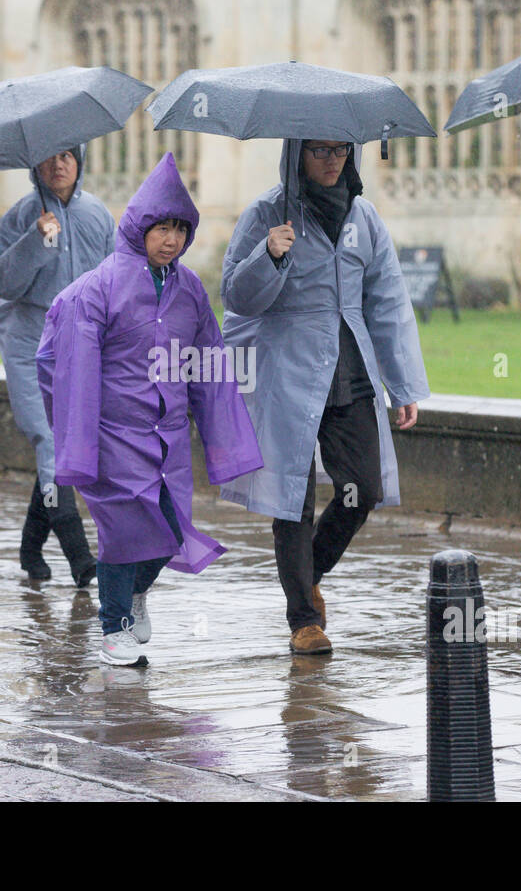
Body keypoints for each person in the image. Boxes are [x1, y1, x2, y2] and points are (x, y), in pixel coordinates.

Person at [37, 153, 263, 667]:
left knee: (167, 529)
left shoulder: (188, 292)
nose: (170, 240)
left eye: (180, 230)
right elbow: (61, 362)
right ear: (140, 228)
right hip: (116, 434)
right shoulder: (96, 290)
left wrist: (221, 431)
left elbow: (209, 362)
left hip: (167, 437)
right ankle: (113, 626)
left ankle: (137, 593)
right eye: (161, 227)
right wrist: (80, 438)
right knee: (122, 531)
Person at [221, 138, 428, 655]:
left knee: (363, 487)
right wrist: (269, 254)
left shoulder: (366, 217)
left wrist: (402, 384)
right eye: (320, 150)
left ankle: (308, 573)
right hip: (287, 370)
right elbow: (237, 295)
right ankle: (304, 620)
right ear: (298, 155)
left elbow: (387, 300)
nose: (332, 159)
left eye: (341, 149)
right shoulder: (266, 213)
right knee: (291, 495)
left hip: (351, 371)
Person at [0, 146, 112, 586]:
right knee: (49, 439)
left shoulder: (98, 214)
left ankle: (30, 545)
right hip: (28, 343)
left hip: (80, 344)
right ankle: (81, 558)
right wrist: (35, 241)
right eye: (48, 157)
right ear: (34, 165)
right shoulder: (22, 216)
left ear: (80, 162)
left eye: (67, 156)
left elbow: (114, 281)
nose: (58, 165)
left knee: (63, 447)